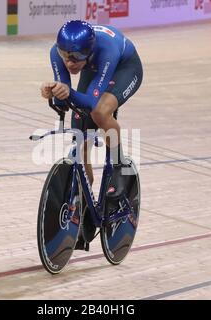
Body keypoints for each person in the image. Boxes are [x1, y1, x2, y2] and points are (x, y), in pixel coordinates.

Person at [40, 20, 143, 249]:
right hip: (94, 69)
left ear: (88, 52)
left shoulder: (106, 50)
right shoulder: (58, 53)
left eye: (75, 57)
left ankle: (117, 165)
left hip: (124, 68)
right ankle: (85, 209)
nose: (69, 62)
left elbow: (90, 101)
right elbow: (65, 100)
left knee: (99, 112)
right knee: (79, 136)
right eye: (65, 55)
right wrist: (53, 93)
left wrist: (68, 93)